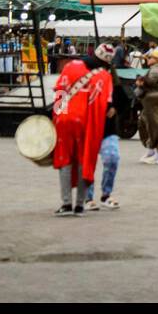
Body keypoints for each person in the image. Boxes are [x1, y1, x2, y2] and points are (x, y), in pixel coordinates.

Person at [51, 57, 110, 216]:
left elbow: (60, 92)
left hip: (66, 119)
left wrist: (57, 118)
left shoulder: (69, 67)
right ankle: (79, 206)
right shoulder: (103, 74)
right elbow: (104, 102)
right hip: (86, 121)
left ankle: (66, 204)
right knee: (83, 160)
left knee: (65, 160)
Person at [83, 45, 128, 210]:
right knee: (87, 163)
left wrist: (115, 107)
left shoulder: (109, 72)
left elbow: (122, 96)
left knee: (112, 158)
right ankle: (87, 198)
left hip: (106, 126)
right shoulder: (83, 67)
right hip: (86, 125)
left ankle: (105, 195)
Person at [136, 49, 158, 164]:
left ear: (156, 59)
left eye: (150, 57)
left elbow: (151, 81)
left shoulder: (156, 68)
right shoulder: (155, 68)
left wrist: (141, 81)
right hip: (153, 99)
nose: (148, 59)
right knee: (145, 122)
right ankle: (151, 150)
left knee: (155, 126)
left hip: (155, 99)